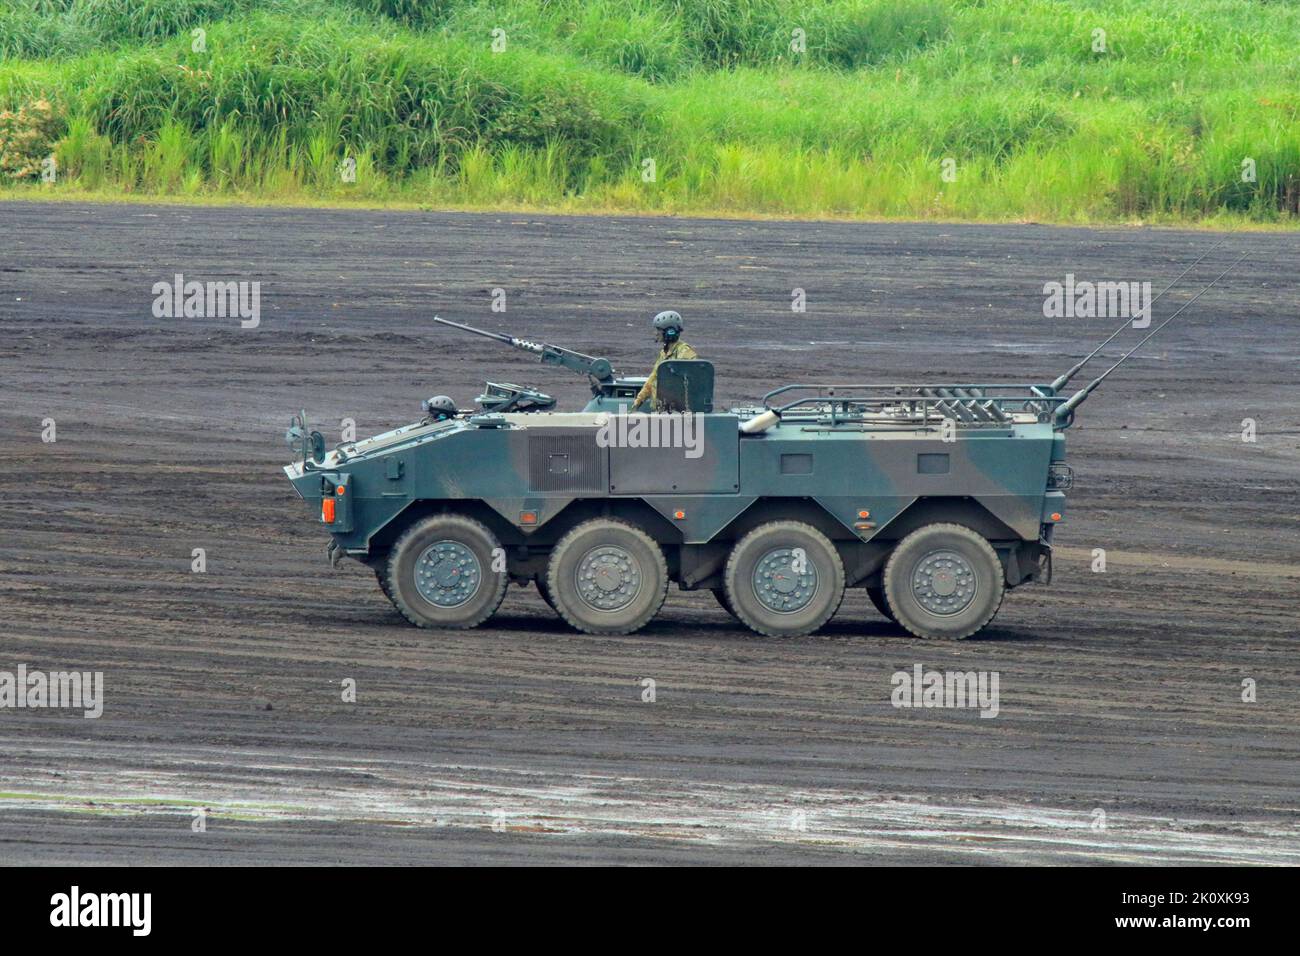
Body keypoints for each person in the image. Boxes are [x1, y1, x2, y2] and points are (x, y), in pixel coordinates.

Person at [633, 310, 698, 411]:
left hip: (676, 411)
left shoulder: (684, 352)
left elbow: (689, 382)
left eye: (659, 330)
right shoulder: (664, 353)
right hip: (661, 410)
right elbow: (653, 379)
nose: (656, 333)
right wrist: (638, 401)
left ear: (670, 332)